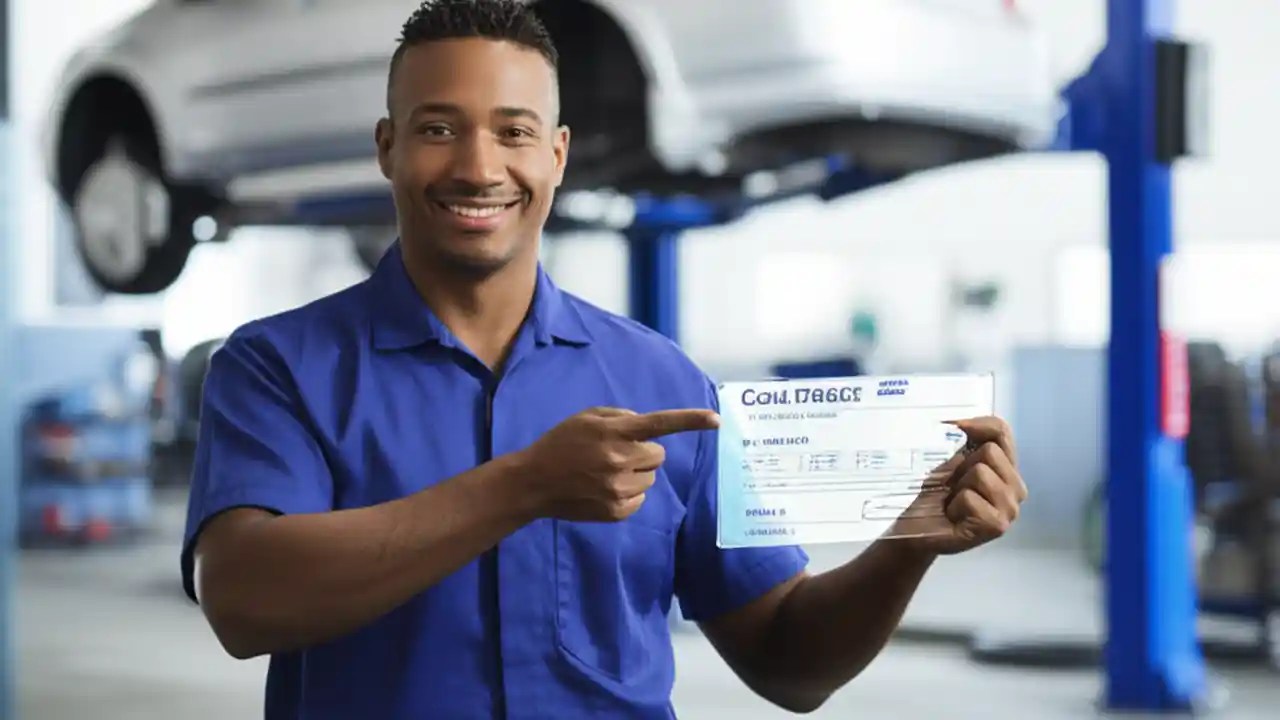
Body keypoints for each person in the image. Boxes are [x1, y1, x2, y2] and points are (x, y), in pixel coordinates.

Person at [181, 1, 1029, 718]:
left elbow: (787, 660)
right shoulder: (277, 367)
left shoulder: (663, 383)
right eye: (439, 129)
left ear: (555, 155)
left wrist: (910, 543)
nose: (480, 167)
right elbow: (246, 601)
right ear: (387, 148)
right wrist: (522, 486)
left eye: (514, 132)